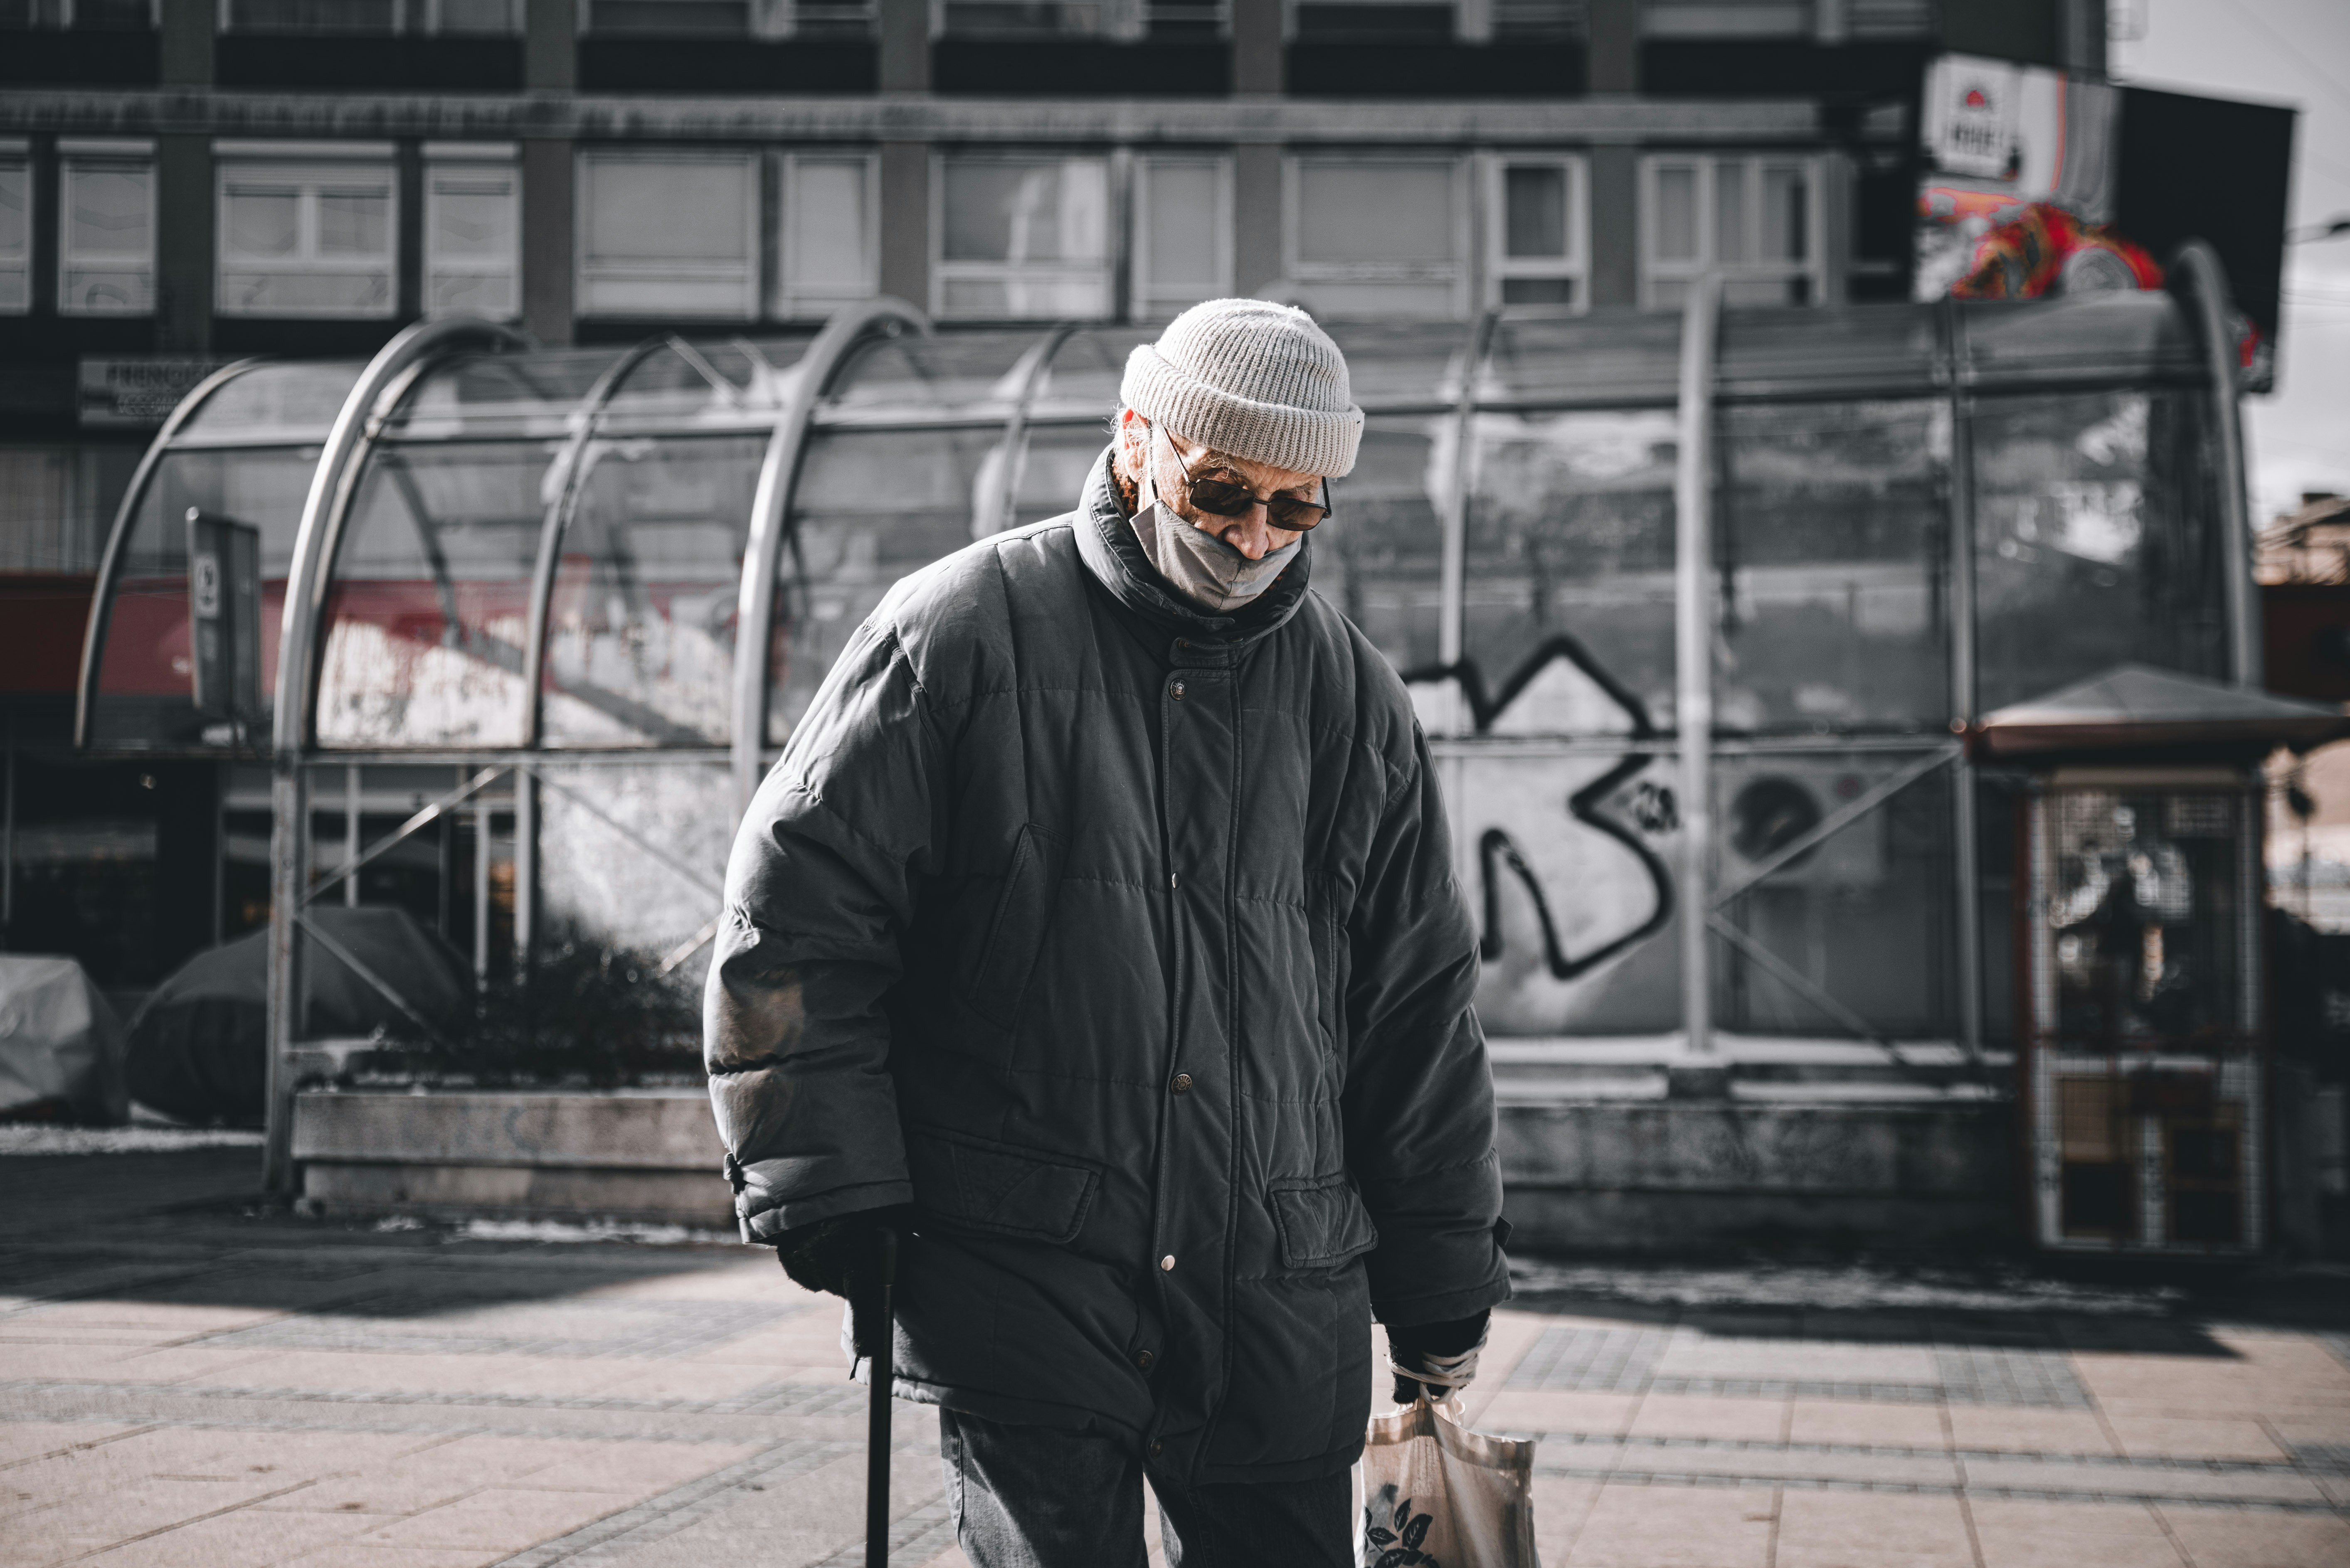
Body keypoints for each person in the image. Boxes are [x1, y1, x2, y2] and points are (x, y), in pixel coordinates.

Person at [705, 298, 1510, 1567]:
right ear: (1138, 440)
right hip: (1024, 1273)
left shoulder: (1353, 697)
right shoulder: (958, 634)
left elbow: (1414, 1014)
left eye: (1296, 508)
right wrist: (831, 1185)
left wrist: (1443, 1278)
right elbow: (800, 925)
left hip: (1279, 1293)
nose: (1253, 538)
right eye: (1222, 491)